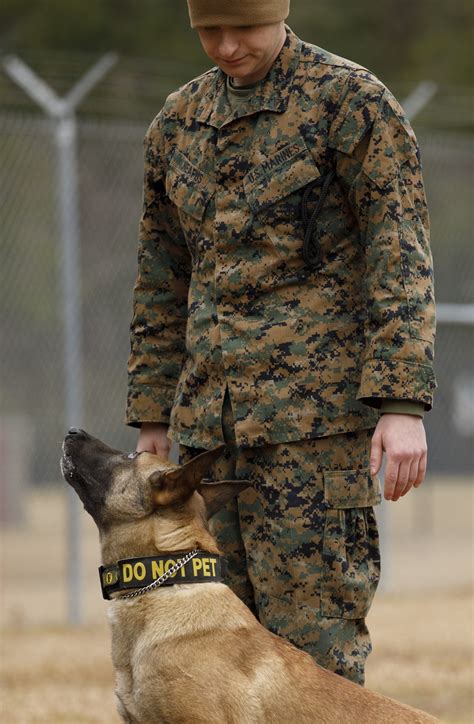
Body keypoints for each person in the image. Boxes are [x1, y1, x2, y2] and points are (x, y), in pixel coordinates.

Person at [126, 0, 436, 685]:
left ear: (280, 14)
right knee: (209, 656)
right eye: (210, 30)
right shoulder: (178, 123)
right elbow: (160, 276)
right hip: (209, 437)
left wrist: (401, 404)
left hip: (314, 429)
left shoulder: (350, 103)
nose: (228, 46)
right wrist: (152, 416)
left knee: (312, 660)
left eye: (245, 29)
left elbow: (399, 254)